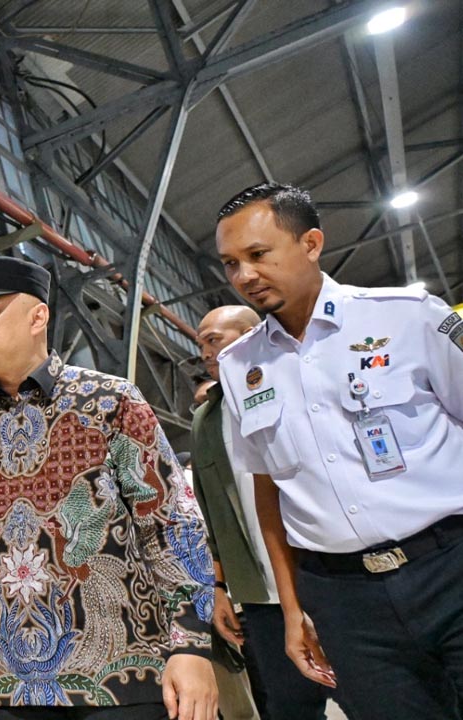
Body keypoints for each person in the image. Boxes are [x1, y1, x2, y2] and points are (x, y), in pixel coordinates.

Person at [0, 256, 218, 720]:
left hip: (121, 676)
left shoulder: (109, 400)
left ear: (38, 316)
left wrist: (191, 641)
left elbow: (172, 524)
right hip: (8, 686)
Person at [214, 182, 463, 720]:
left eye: (258, 255)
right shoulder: (240, 367)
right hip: (346, 603)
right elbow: (268, 495)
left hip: (450, 566)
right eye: (231, 263)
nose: (245, 276)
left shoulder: (407, 316)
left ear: (311, 243)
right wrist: (291, 609)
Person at [193, 304, 331, 720]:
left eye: (213, 340)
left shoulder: (298, 386)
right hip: (259, 594)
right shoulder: (205, 420)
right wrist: (218, 588)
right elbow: (211, 514)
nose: (205, 354)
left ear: (251, 336)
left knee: (371, 694)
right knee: (289, 707)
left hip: (327, 575)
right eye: (200, 347)